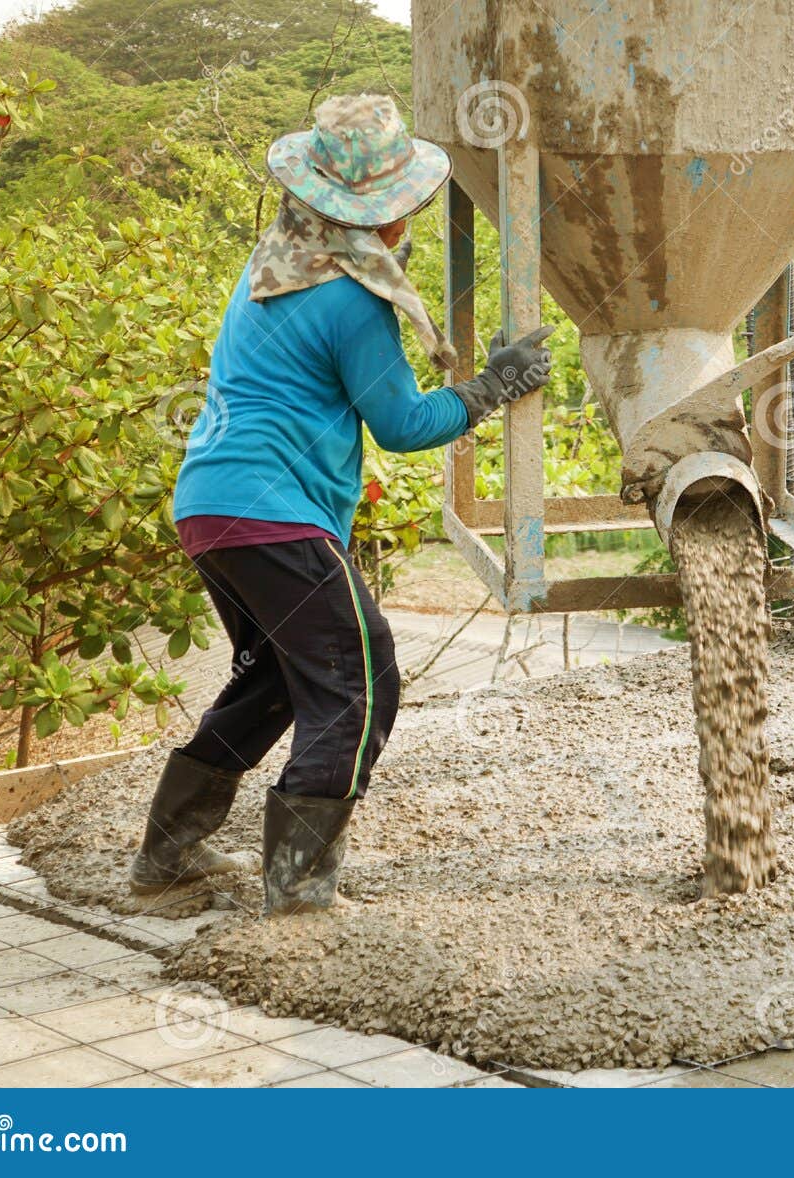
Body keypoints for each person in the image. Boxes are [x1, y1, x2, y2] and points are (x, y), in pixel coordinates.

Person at [128, 95, 554, 915]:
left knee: (276, 682)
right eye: (403, 212)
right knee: (362, 681)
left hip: (212, 510)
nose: (408, 225)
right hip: (276, 515)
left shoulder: (273, 266)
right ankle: (297, 890)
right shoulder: (353, 302)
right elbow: (400, 425)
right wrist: (490, 387)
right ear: (374, 220)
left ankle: (166, 856)